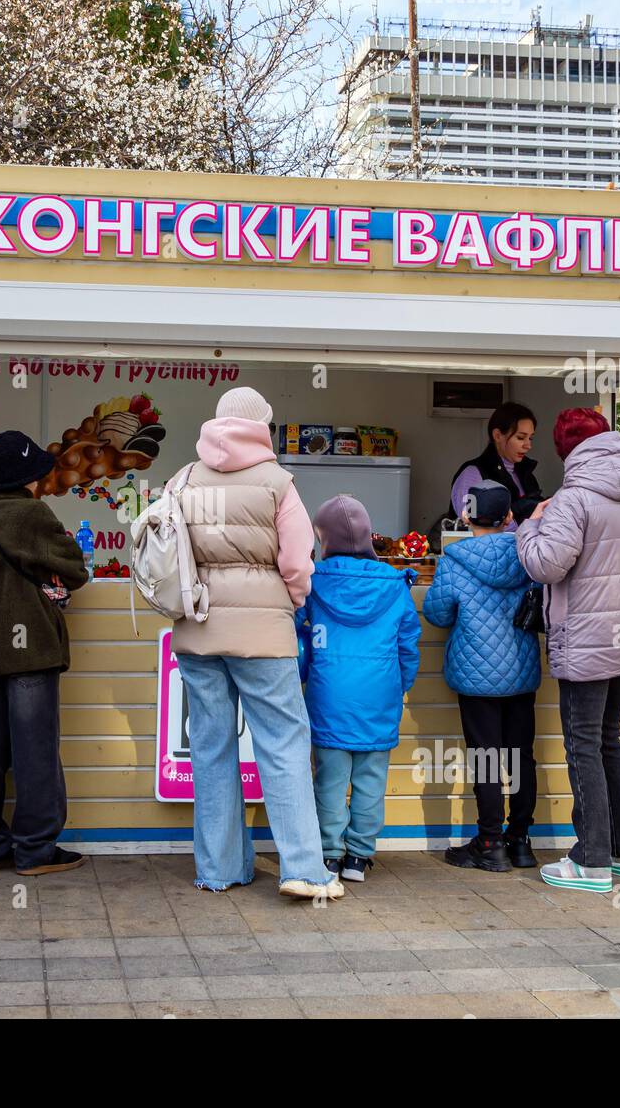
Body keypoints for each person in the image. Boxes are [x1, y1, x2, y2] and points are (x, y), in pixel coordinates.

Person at [171, 386, 340, 901]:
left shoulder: (183, 479)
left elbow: (169, 553)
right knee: (284, 745)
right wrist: (289, 601)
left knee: (210, 747)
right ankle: (305, 871)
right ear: (262, 425)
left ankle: (219, 869)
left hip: (198, 631)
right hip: (263, 636)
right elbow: (296, 561)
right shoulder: (278, 483)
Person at [516, 408, 620, 893]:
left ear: (566, 449)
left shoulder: (572, 500)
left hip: (589, 642)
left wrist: (530, 526)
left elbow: (545, 566)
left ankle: (591, 860)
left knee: (583, 744)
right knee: (607, 740)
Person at [0, 430, 90, 876]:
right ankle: (34, 850)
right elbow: (75, 568)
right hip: (28, 647)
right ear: (25, 479)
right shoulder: (32, 515)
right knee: (35, 751)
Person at [298, 495, 421, 883]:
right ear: (369, 536)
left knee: (330, 781)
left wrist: (304, 674)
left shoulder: (313, 582)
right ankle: (359, 858)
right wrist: (399, 685)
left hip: (328, 697)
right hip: (380, 696)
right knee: (371, 780)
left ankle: (330, 855)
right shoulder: (395, 585)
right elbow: (408, 647)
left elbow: (297, 641)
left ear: (324, 539)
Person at [424, 481, 542, 872]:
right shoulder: (529, 556)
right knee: (521, 756)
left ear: (467, 516)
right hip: (521, 672)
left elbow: (438, 614)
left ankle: (490, 842)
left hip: (475, 675)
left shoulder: (454, 560)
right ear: (509, 516)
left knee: (488, 757)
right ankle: (521, 841)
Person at [448, 401, 542, 529]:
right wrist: (521, 517)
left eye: (530, 438)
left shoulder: (526, 474)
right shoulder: (473, 473)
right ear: (497, 435)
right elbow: (470, 522)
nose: (528, 445)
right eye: (520, 438)